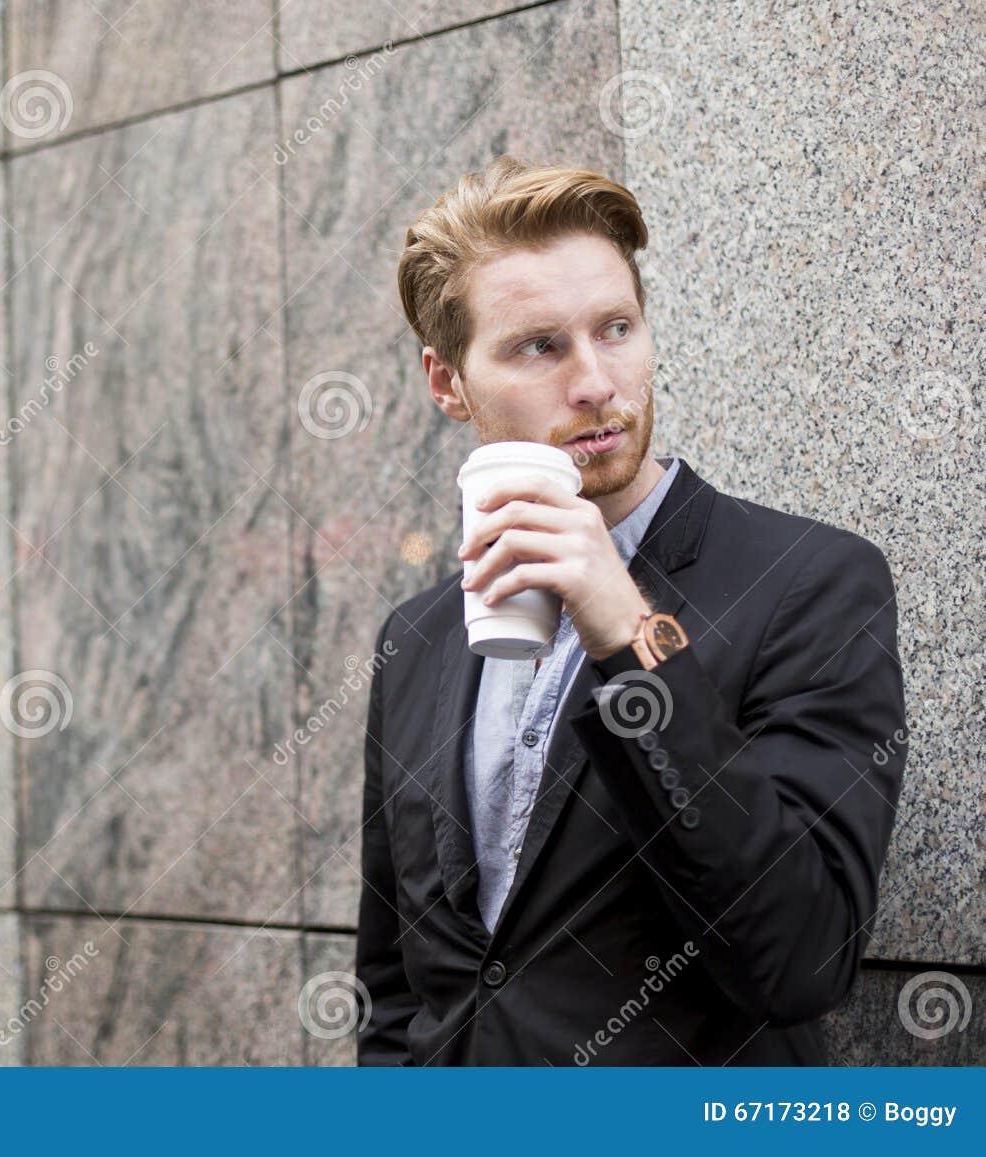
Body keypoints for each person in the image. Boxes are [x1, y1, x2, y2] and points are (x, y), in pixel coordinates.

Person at [356, 155, 906, 1065]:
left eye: (616, 329)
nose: (596, 382)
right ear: (447, 382)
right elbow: (395, 985)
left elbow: (804, 958)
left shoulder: (808, 583)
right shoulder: (417, 637)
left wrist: (625, 631)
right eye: (539, 346)